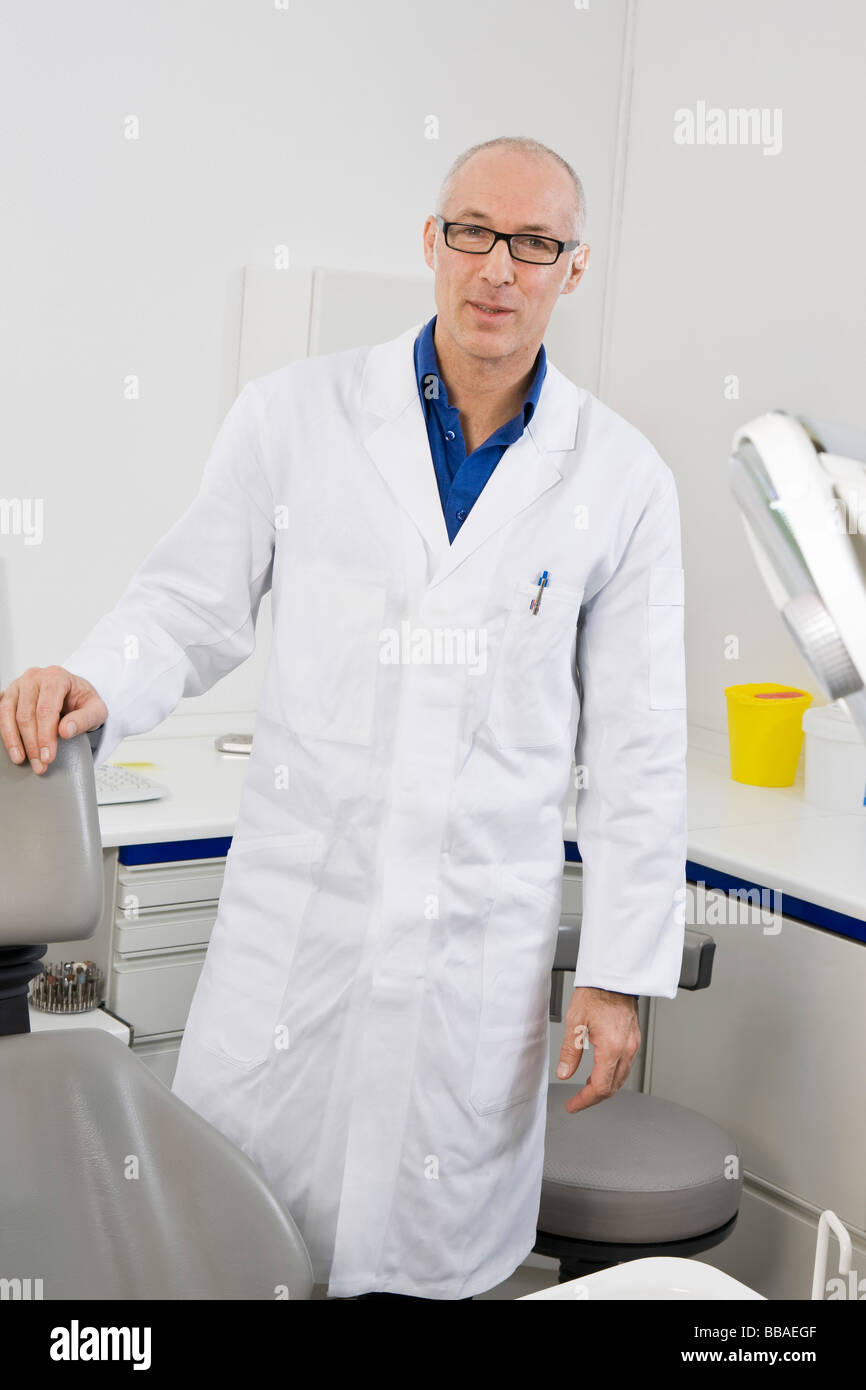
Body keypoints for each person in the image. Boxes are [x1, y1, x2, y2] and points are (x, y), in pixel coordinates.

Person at [0, 136, 687, 1301]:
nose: (496, 268)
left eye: (533, 244)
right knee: (229, 1252)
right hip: (295, 945)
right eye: (472, 231)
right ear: (431, 243)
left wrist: (616, 971)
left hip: (473, 958)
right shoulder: (295, 416)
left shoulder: (620, 481)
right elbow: (185, 605)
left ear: (572, 270)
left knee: (423, 1277)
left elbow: (636, 746)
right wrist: (98, 677)